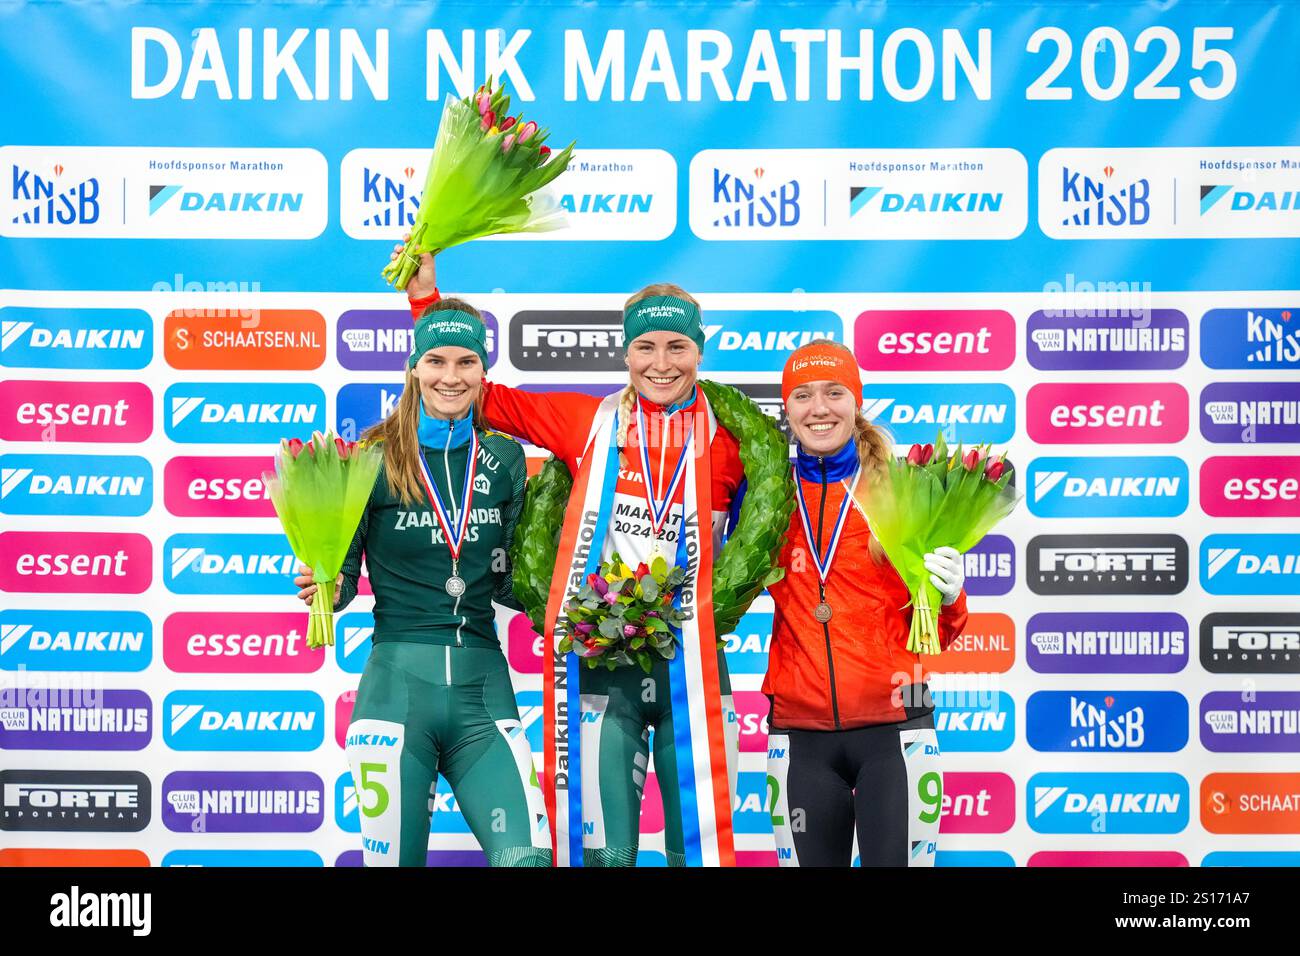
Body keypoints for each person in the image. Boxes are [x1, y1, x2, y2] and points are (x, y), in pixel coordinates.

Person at [394, 243, 744, 867]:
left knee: (699, 853)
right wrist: (426, 299)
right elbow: (474, 391)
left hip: (695, 673)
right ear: (625, 353)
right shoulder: (588, 421)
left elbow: (777, 531)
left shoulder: (737, 443)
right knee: (604, 856)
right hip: (603, 674)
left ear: (700, 350)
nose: (660, 364)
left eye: (677, 347)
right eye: (645, 347)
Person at [293, 296, 550, 867]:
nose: (451, 377)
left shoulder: (507, 459)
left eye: (466, 362)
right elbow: (344, 582)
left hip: (484, 692)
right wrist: (323, 585)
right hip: (396, 697)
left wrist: (567, 597)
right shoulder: (373, 456)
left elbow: (510, 582)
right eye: (436, 360)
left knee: (527, 859)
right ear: (414, 366)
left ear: (485, 371)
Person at [764, 340, 969, 867]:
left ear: (856, 402)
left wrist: (950, 597)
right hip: (799, 739)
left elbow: (937, 632)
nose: (819, 408)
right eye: (803, 395)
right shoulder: (767, 497)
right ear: (786, 408)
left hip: (897, 735)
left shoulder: (903, 489)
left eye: (835, 393)